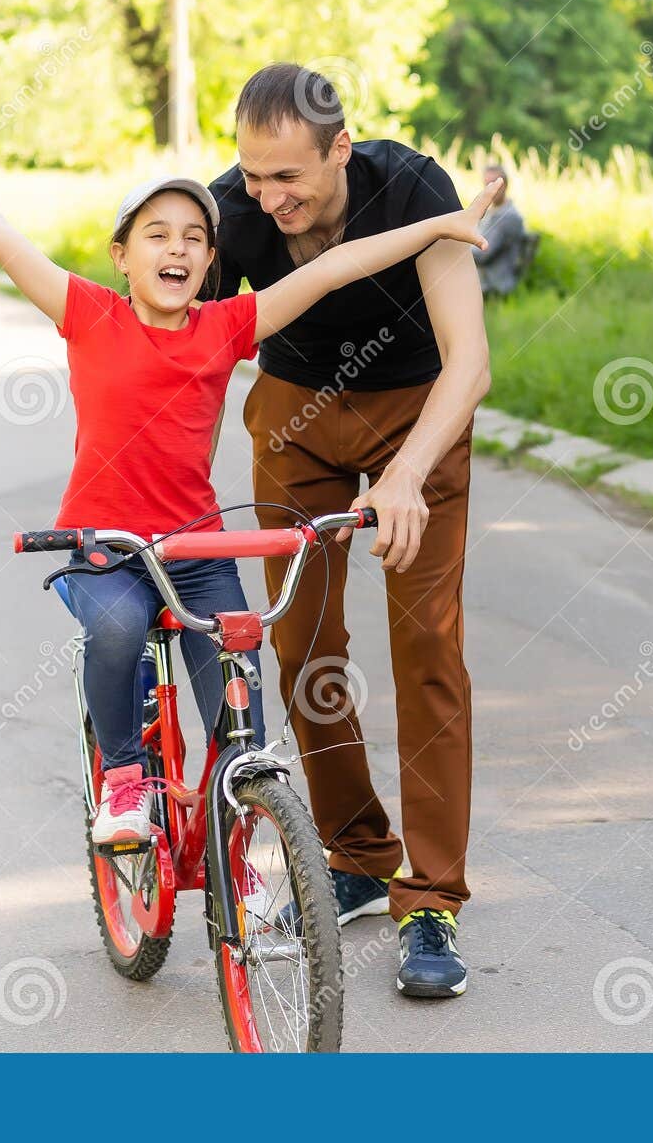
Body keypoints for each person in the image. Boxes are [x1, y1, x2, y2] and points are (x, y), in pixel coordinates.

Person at [0, 89, 498, 846]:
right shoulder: (88, 313)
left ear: (212, 261)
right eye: (156, 236)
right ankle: (123, 774)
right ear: (121, 256)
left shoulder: (228, 326)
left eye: (194, 238)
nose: (178, 249)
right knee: (120, 625)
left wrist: (440, 225)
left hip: (194, 548)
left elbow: (335, 268)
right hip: (109, 547)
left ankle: (241, 822)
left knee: (238, 658)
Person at [211, 63, 491, 1000]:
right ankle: (358, 852)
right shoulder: (236, 211)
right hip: (294, 416)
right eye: (253, 176)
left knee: (427, 643)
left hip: (421, 413)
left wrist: (410, 470)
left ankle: (431, 898)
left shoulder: (412, 188)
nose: (268, 197)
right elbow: (187, 359)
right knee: (302, 642)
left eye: (287, 176)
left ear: (341, 147)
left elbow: (471, 359)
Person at [471, 163, 527, 296]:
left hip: (494, 282)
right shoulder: (491, 212)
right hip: (483, 277)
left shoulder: (508, 217)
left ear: (505, 185)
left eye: (495, 184)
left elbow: (483, 254)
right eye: (487, 184)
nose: (490, 189)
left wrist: (457, 246)